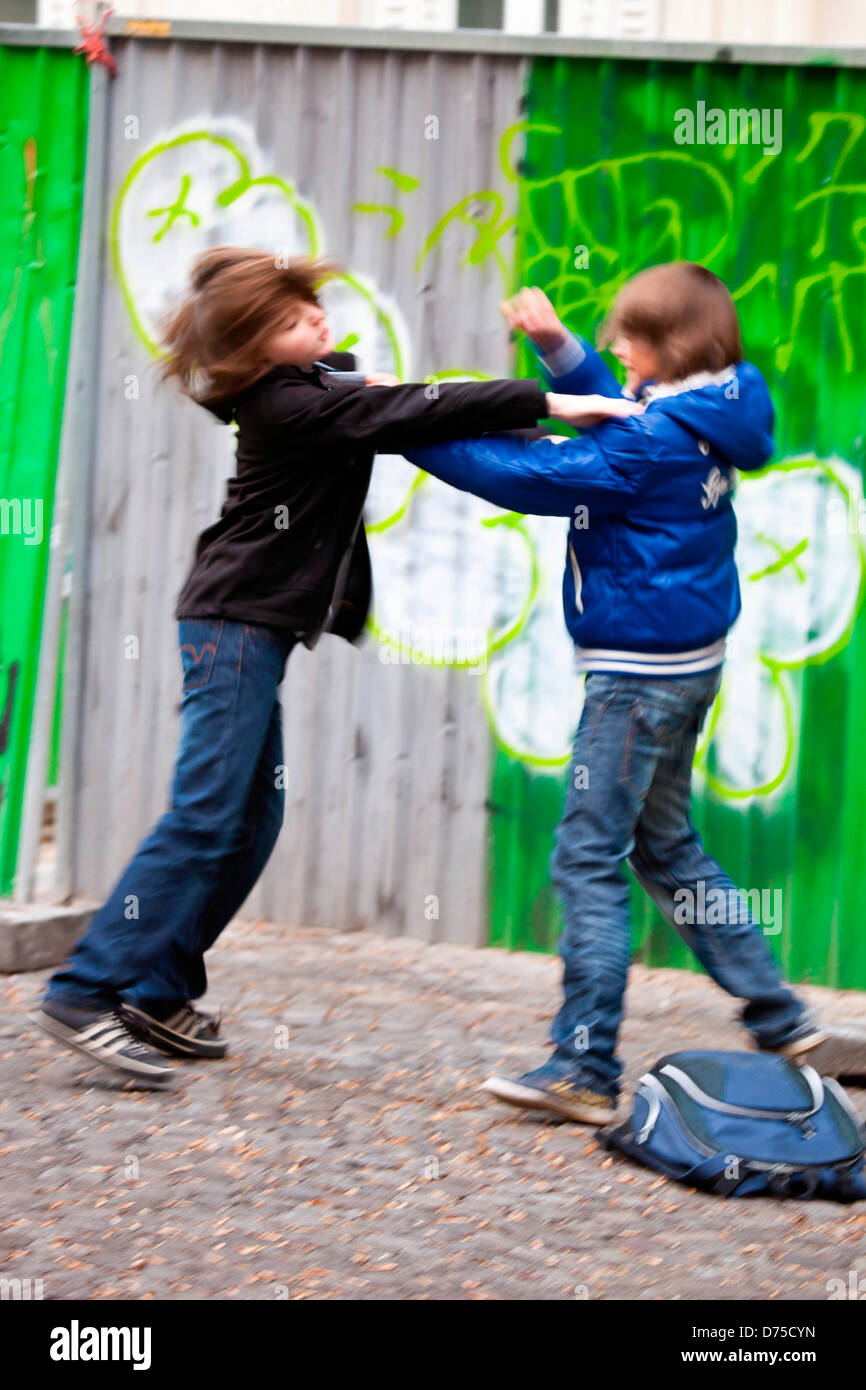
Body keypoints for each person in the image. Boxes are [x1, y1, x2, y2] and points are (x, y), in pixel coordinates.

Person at [31, 246, 608, 1086]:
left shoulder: (317, 389)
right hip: (231, 627)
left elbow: (388, 398)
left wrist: (388, 387)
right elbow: (418, 409)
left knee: (251, 818)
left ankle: (157, 988)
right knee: (204, 816)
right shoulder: (288, 406)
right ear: (261, 349)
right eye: (297, 319)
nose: (319, 320)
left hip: (251, 630)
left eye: (314, 306)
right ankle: (85, 990)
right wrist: (555, 401)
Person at [401, 264, 854, 1125]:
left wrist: (400, 427)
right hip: (688, 666)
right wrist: (558, 351)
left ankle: (584, 1065)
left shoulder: (653, 442)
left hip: (633, 681)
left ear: (670, 350)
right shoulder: (723, 404)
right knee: (666, 845)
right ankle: (780, 1016)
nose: (613, 350)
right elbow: (620, 409)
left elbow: (521, 477)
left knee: (586, 854)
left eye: (627, 340)